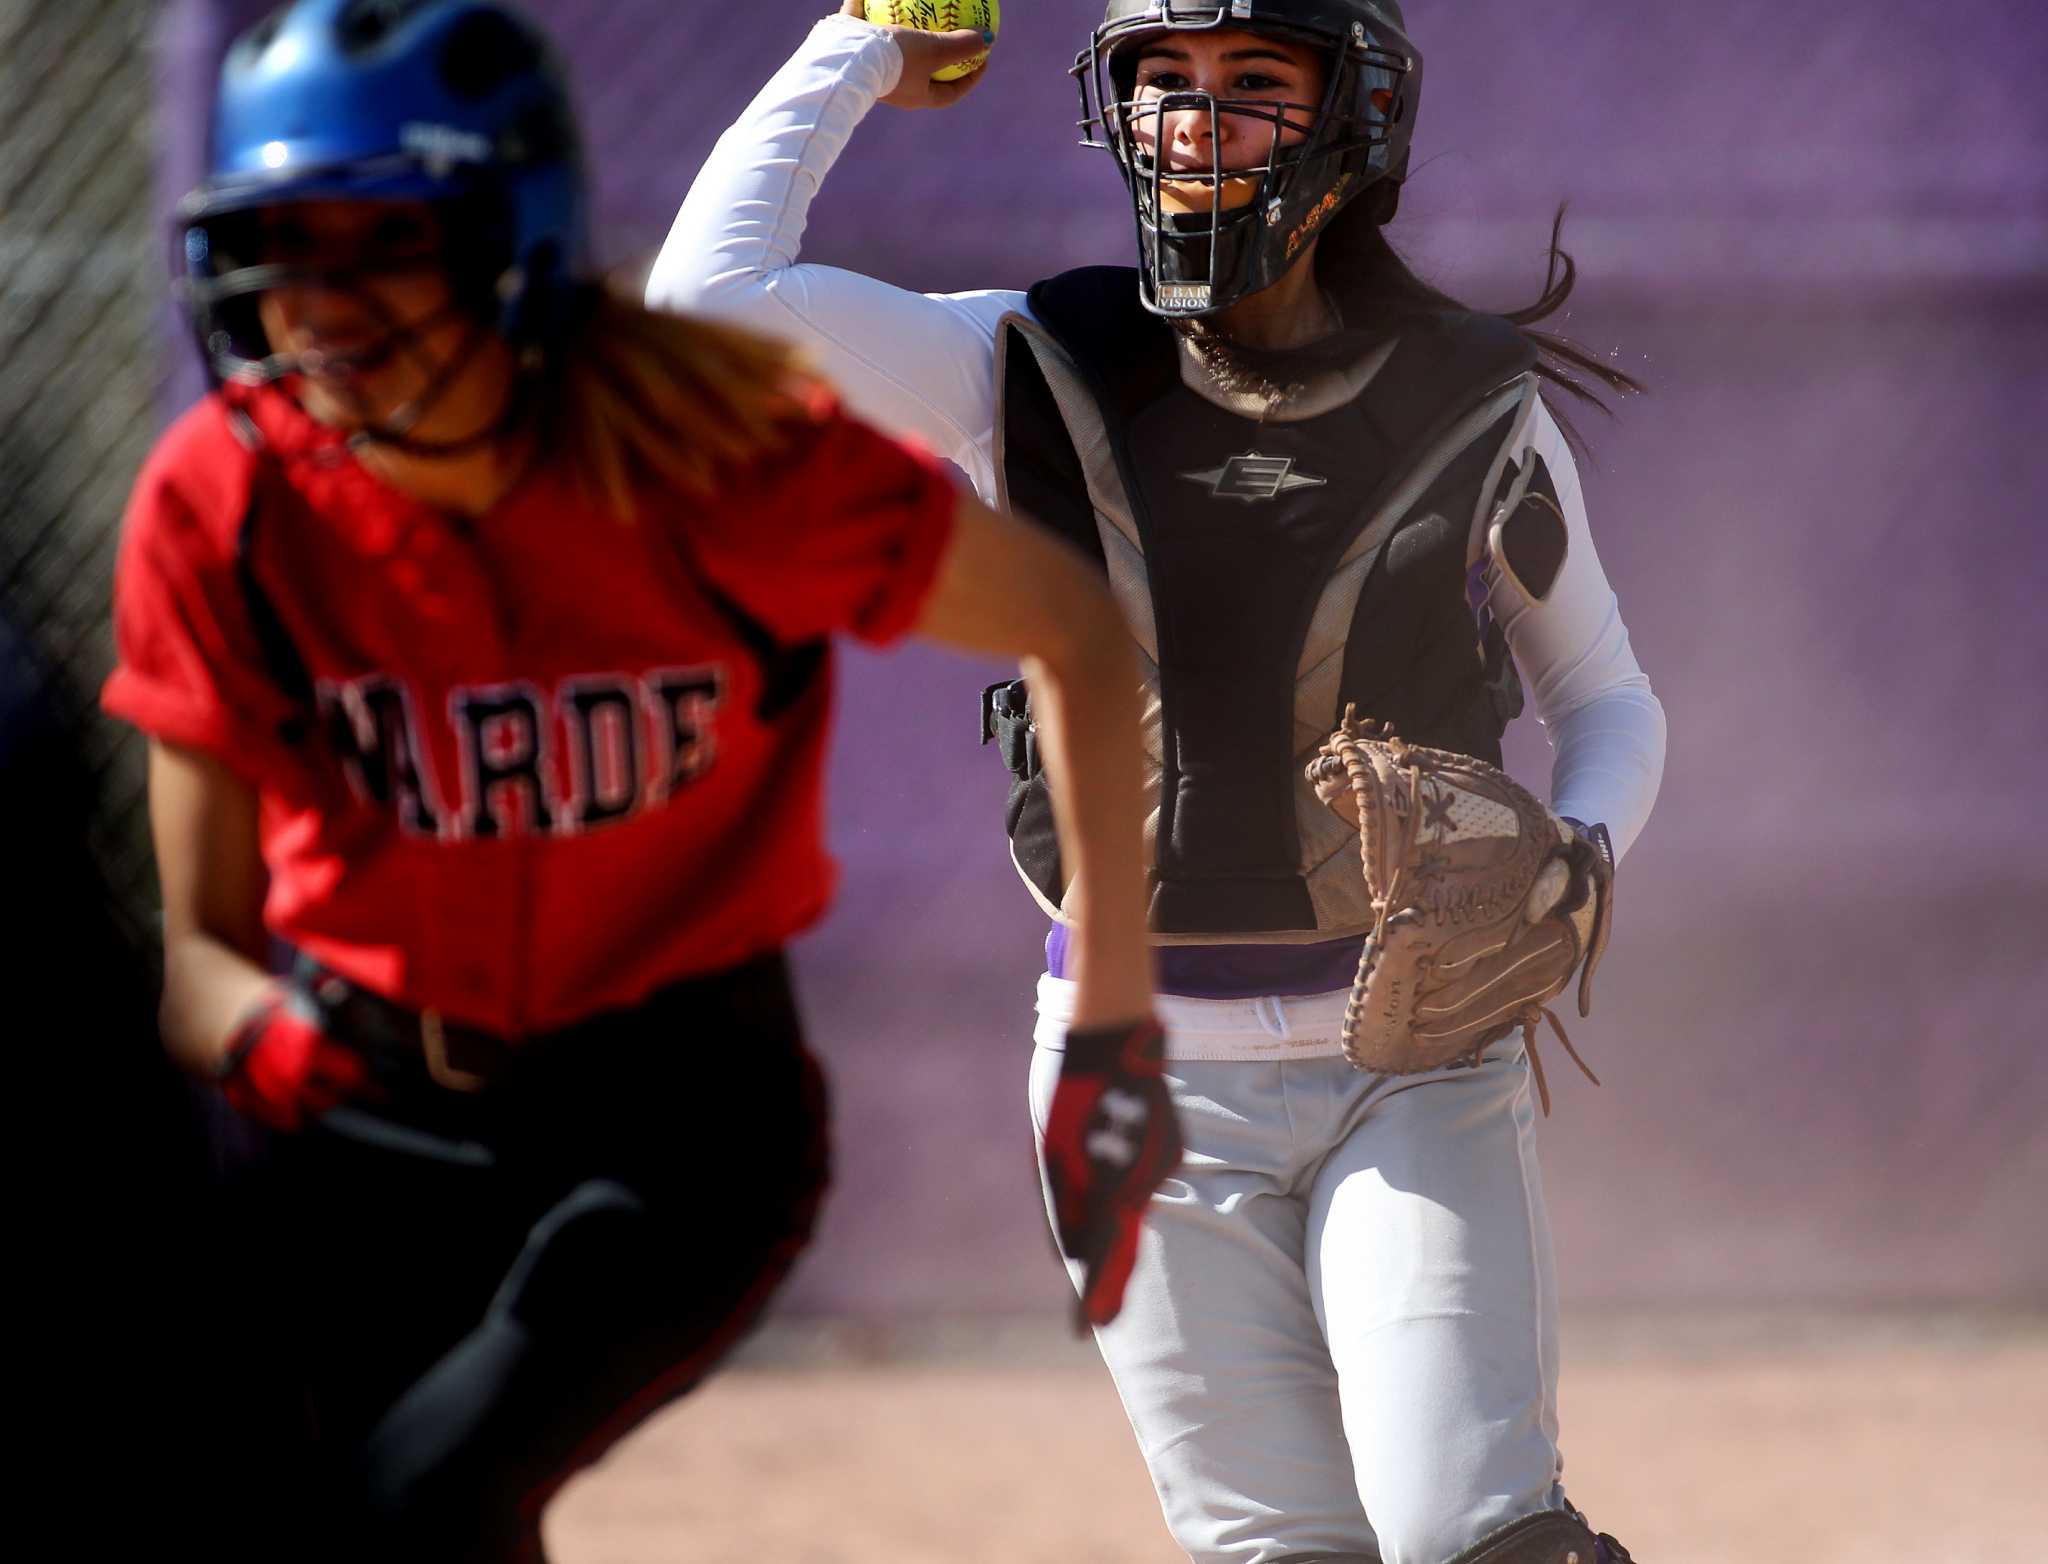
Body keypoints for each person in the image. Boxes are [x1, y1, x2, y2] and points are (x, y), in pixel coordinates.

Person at [103, 1, 1179, 1558]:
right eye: (283, 247)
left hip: (675, 1125)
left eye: (380, 241)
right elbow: (199, 958)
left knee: (412, 1507)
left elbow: (1073, 630)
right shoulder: (223, 503)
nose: (320, 306)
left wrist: (1110, 1025)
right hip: (367, 1113)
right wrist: (267, 1037)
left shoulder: (707, 455)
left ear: (513, 238)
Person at [649, 2, 1667, 1562]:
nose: (1196, 116)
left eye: (1254, 81)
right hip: (1132, 1062)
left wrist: (1577, 861)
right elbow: (700, 308)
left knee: (1473, 1537)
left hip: (1409, 1058)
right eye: (1162, 81)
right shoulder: (1026, 361)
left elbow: (1603, 697)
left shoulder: (1470, 398)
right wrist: (860, 42)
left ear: (1358, 114)